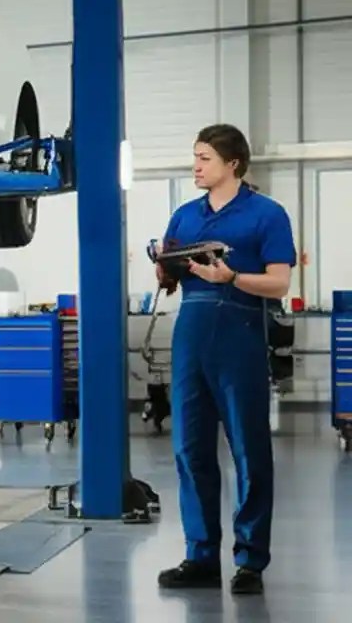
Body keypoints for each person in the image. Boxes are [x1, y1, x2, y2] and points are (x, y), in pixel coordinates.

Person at [155, 124, 295, 596]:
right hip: (190, 336)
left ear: (232, 163)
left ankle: (250, 560)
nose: (195, 166)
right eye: (194, 157)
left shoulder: (267, 215)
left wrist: (233, 277)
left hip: (240, 334)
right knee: (189, 449)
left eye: (204, 159)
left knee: (249, 450)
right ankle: (200, 556)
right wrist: (166, 269)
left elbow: (279, 284)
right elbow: (174, 277)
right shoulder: (183, 217)